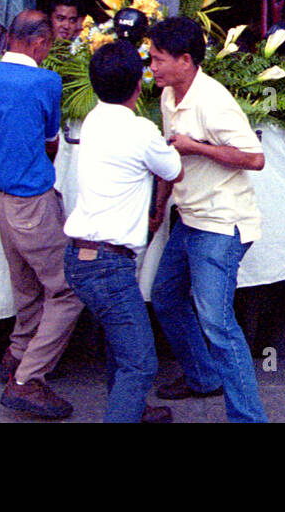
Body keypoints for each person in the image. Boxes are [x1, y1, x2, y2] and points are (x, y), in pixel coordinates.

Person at [146, 15, 269, 423]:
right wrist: (160, 206)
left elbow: (255, 158)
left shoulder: (213, 101)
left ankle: (248, 418)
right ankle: (203, 376)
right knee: (165, 295)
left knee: (217, 321)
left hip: (221, 222)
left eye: (159, 59)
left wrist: (197, 147)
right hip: (190, 218)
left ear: (185, 60)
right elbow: (171, 155)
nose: (152, 67)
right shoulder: (169, 94)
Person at [62, 41, 184, 423]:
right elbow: (174, 170)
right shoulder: (141, 130)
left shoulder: (94, 119)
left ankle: (134, 409)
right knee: (141, 363)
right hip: (107, 266)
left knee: (122, 346)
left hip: (81, 258)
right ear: (139, 84)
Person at [0, 9, 83, 419]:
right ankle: (27, 379)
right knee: (67, 288)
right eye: (48, 45)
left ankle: (18, 354)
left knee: (26, 286)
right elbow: (50, 139)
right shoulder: (46, 80)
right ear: (38, 43)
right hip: (31, 197)